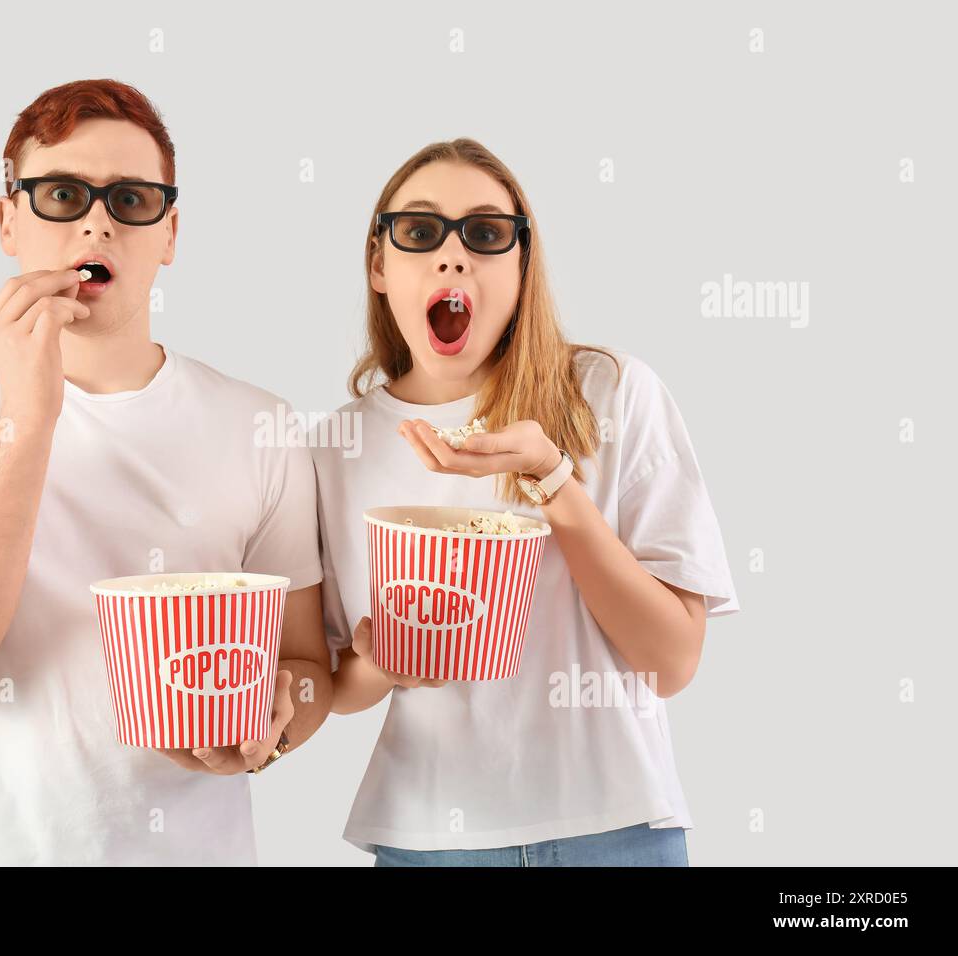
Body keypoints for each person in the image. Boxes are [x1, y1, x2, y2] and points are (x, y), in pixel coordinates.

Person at [0, 79, 331, 865]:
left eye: (131, 199)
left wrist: (274, 732)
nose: (98, 221)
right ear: (8, 220)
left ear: (170, 233)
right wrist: (27, 417)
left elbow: (307, 669)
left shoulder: (259, 424)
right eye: (63, 194)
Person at [311, 138, 740, 866]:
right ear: (379, 265)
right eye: (419, 232)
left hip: (619, 829)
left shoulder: (609, 394)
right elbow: (339, 685)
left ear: (521, 266)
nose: (453, 257)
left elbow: (671, 661)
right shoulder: (333, 448)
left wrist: (555, 483)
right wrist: (384, 661)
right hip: (429, 837)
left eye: (485, 234)